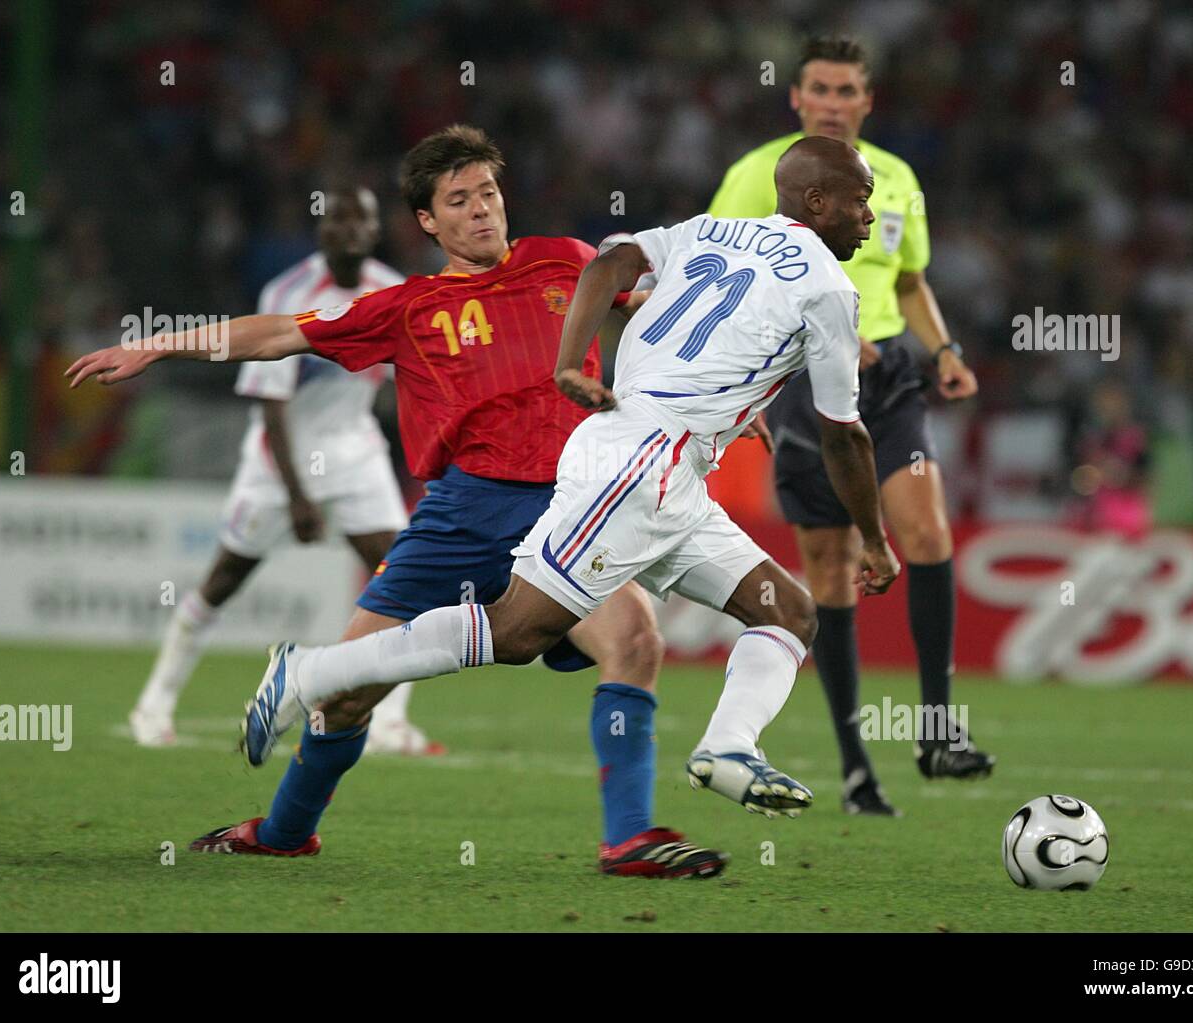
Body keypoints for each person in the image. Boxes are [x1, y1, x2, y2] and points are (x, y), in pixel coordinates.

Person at [72, 136, 901, 831]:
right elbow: (282, 333)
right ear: (428, 222)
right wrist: (163, 345)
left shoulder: (560, 260)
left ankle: (644, 826)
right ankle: (290, 799)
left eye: (489, 193)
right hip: (476, 506)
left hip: (588, 487)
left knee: (679, 635)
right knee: (385, 680)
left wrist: (726, 387)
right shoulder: (408, 305)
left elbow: (655, 294)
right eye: (460, 200)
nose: (482, 209)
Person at [708, 35, 993, 815]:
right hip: (803, 381)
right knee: (830, 570)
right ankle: (857, 767)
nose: (834, 102)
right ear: (796, 100)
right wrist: (813, 332)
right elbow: (720, 277)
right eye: (820, 90)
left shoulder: (896, 179)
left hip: (894, 374)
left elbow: (910, 279)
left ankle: (935, 728)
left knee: (926, 530)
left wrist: (945, 351)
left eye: (847, 91)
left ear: (867, 102)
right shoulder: (756, 175)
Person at [129, 186, 438, 757]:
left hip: (354, 455)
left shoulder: (393, 291)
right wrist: (299, 497)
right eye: (335, 220)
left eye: (359, 221)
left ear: (375, 231)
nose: (346, 230)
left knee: (408, 578)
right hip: (278, 462)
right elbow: (271, 405)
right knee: (223, 581)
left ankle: (391, 722)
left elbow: (414, 383)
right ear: (320, 230)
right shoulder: (290, 291)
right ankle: (153, 706)